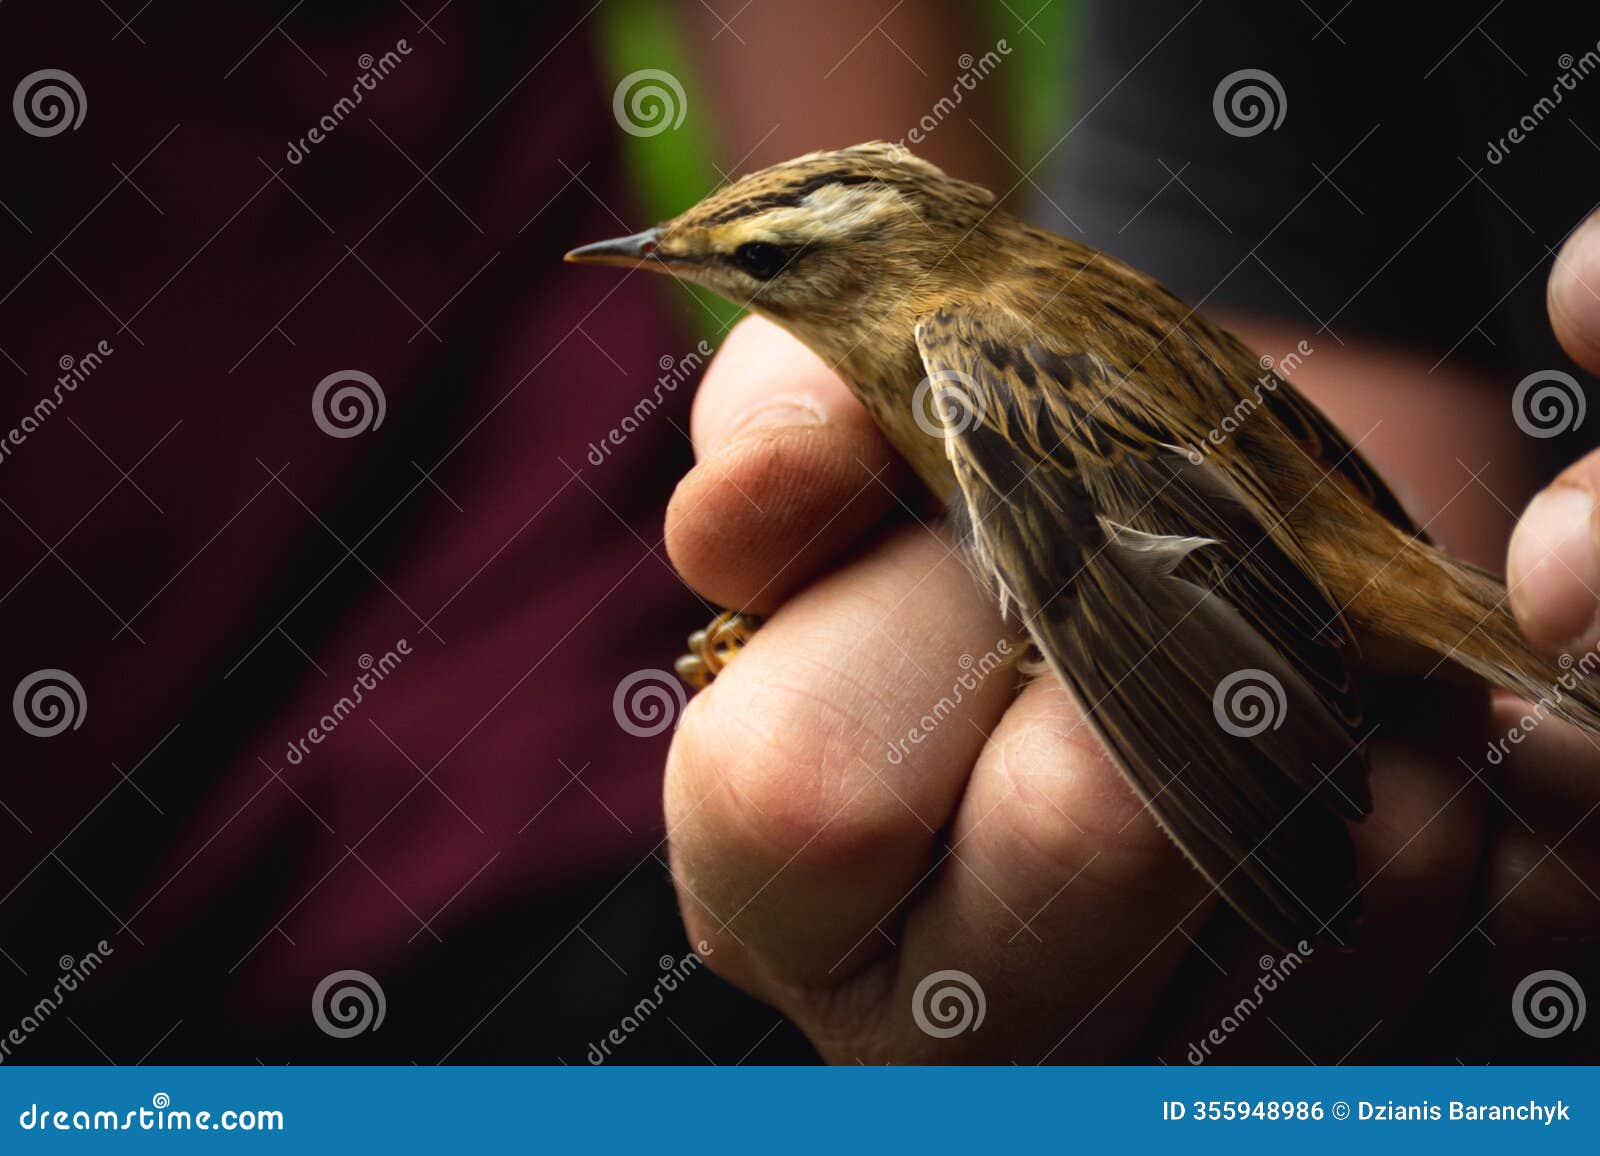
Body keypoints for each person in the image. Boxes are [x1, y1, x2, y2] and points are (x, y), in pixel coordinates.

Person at [662, 2, 1600, 1061]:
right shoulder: (971, 317)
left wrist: (1232, 749)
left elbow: (1136, 583)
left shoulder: (969, 348)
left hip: (1334, 573)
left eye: (767, 263)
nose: (736, 284)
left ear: (871, 264)